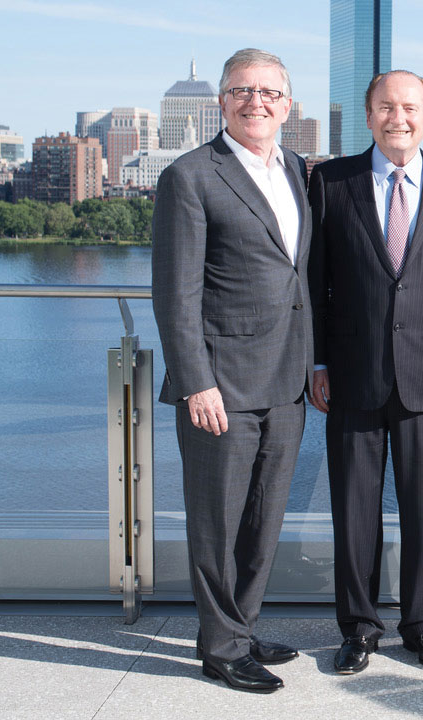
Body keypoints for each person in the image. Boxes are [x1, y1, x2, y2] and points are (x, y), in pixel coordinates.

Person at [307, 70, 423, 674]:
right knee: (354, 510)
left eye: (410, 108)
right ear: (369, 116)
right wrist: (317, 360)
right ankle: (359, 628)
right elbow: (314, 281)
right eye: (386, 107)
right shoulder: (330, 182)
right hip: (351, 373)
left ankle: (421, 624)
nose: (399, 118)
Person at [151, 48, 310, 694]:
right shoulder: (190, 176)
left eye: (269, 92)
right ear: (221, 102)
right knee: (217, 524)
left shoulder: (295, 168)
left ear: (287, 106)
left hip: (287, 380)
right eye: (242, 91)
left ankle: (240, 629)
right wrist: (196, 381)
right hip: (220, 384)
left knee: (263, 521)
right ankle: (220, 648)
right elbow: (175, 294)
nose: (256, 102)